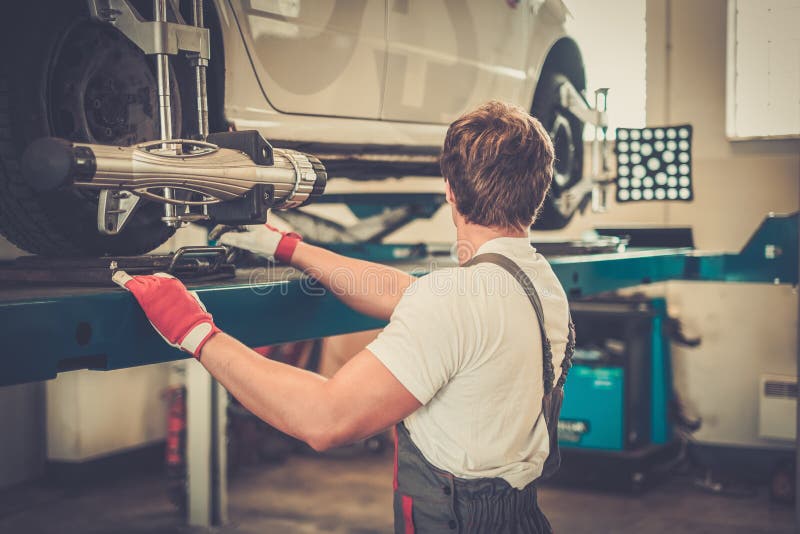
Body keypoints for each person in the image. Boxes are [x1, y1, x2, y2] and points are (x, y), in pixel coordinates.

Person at [114, 100, 574, 533]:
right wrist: (289, 248)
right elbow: (408, 294)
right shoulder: (537, 282)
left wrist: (195, 332)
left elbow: (325, 418)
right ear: (539, 191)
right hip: (521, 516)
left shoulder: (456, 302)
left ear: (450, 191)